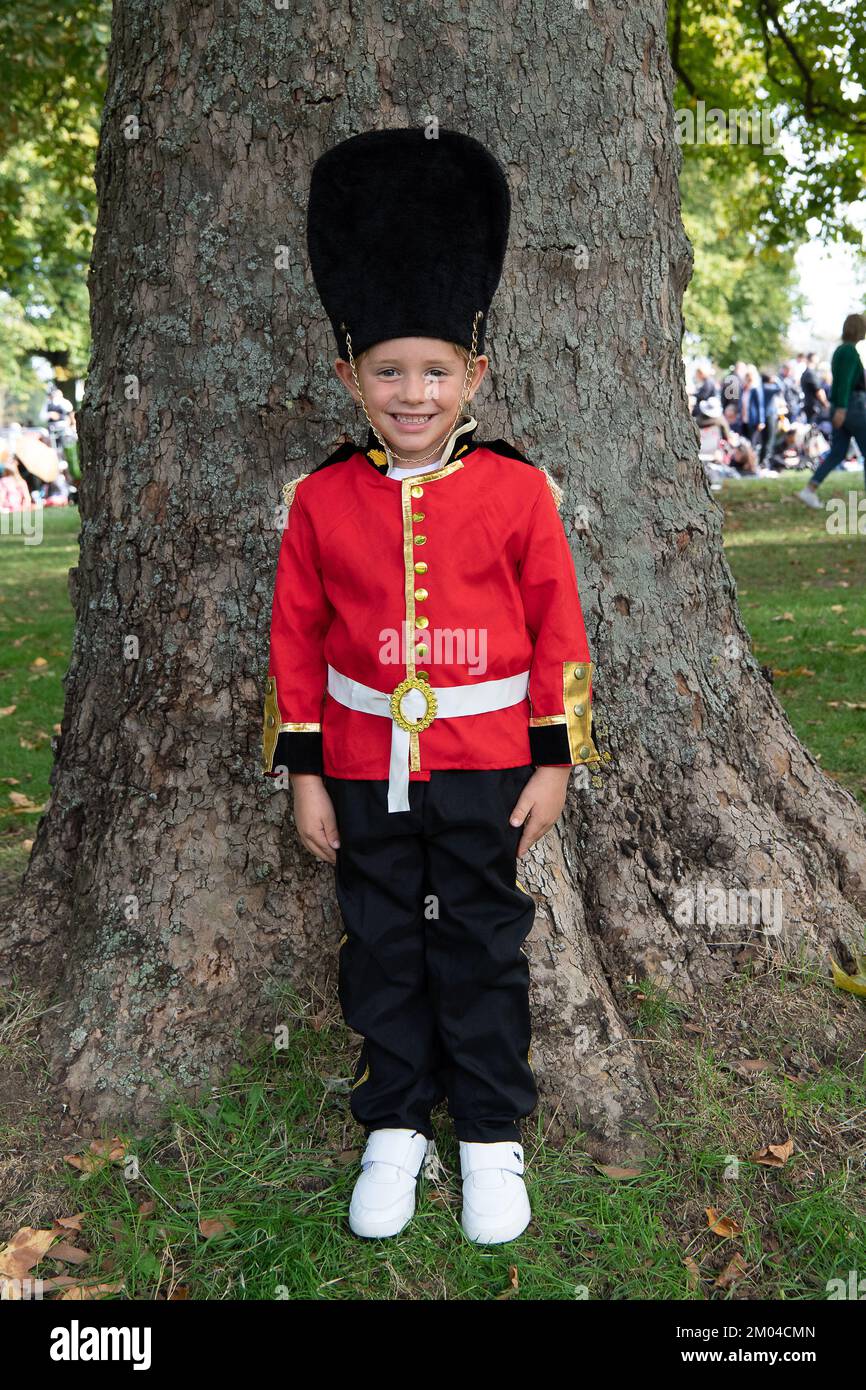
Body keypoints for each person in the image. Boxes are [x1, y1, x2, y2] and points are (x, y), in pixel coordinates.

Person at [262, 128, 599, 1245]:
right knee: (385, 945)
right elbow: (295, 638)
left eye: (436, 372)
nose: (413, 394)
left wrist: (554, 755)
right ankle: (394, 1124)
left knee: (479, 944)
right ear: (350, 375)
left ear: (475, 377)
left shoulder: (514, 490)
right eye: (389, 372)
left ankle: (492, 1134)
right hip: (360, 770)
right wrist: (305, 773)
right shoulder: (320, 500)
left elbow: (557, 625)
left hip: (487, 767)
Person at [797, 314, 866, 508]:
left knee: (837, 452)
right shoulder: (849, 352)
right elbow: (843, 384)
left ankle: (810, 489)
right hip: (851, 407)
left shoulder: (841, 351)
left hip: (842, 407)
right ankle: (809, 490)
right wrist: (842, 409)